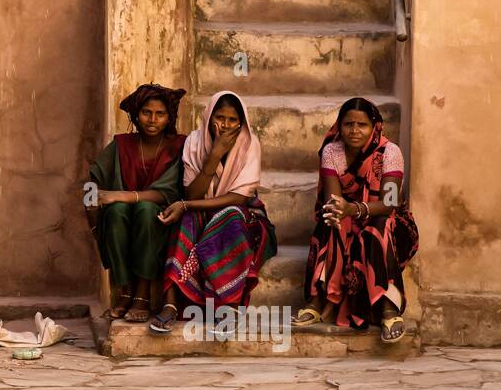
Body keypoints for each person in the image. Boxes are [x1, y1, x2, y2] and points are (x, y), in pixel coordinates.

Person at [293, 97, 418, 342]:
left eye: (362, 125)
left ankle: (388, 308)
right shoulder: (332, 151)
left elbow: (389, 204)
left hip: (386, 219)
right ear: (339, 126)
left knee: (376, 231)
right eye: (348, 124)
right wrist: (343, 211)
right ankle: (318, 301)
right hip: (347, 214)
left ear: (374, 127)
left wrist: (355, 209)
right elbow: (333, 199)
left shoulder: (390, 153)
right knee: (330, 220)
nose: (354, 130)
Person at [152, 90, 276, 333]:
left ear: (241, 122)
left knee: (228, 216)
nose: (225, 125)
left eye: (232, 120)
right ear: (209, 117)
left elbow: (239, 198)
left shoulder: (250, 144)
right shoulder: (194, 142)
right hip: (202, 208)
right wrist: (214, 156)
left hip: (242, 218)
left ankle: (227, 305)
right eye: (220, 118)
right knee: (186, 220)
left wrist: (186, 205)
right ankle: (171, 303)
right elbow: (193, 194)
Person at [87, 84, 187, 324]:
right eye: (146, 113)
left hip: (161, 223)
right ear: (136, 115)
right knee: (116, 211)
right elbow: (91, 184)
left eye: (160, 114)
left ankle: (142, 292)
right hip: (121, 222)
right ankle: (124, 289)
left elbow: (168, 193)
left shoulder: (178, 146)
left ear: (169, 117)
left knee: (145, 210)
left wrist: (122, 195)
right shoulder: (121, 145)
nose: (152, 120)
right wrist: (92, 220)